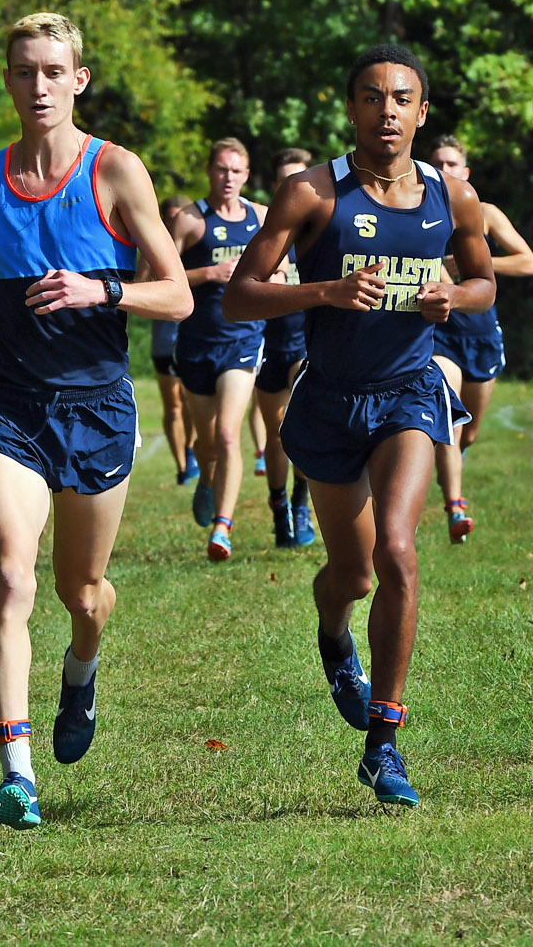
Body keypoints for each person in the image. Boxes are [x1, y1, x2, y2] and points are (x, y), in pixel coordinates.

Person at [0, 12, 191, 830]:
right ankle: (17, 773)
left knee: (83, 591)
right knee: (11, 574)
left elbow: (175, 293)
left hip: (99, 409)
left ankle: (83, 667)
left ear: (79, 80)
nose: (36, 86)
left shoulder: (116, 173)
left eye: (51, 71)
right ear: (8, 79)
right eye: (22, 71)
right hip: (12, 408)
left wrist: (100, 289)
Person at [226, 44, 495, 806]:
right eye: (372, 98)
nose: (388, 112)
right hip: (329, 401)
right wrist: (324, 292)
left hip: (409, 391)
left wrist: (455, 301)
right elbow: (239, 298)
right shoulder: (311, 194)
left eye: (402, 99)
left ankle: (384, 743)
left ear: (422, 111)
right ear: (351, 109)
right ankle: (334, 635)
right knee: (353, 573)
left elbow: (481, 280)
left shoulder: (454, 197)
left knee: (401, 554)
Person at [425, 136, 533, 542]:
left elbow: (529, 263)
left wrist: (478, 262)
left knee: (469, 431)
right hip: (440, 336)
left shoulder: (486, 213)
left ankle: (450, 465)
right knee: (451, 422)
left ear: (466, 172)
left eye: (453, 163)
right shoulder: (416, 211)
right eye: (438, 162)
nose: (445, 169)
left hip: (482, 335)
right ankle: (456, 508)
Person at [171, 138, 269, 561]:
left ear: (247, 175)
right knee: (207, 443)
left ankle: (222, 528)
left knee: (229, 434)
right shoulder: (190, 220)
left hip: (243, 340)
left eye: (237, 171)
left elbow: (279, 268)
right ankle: (206, 478)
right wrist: (210, 272)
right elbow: (156, 277)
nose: (228, 178)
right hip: (195, 344)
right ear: (210, 171)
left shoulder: (261, 217)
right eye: (221, 169)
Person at [253, 148, 320, 547]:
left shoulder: (323, 228)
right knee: (276, 435)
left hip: (310, 346)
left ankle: (301, 505)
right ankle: (279, 509)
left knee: (306, 431)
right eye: (284, 180)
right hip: (269, 345)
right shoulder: (265, 231)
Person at [150, 194, 201, 484]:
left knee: (192, 401)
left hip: (194, 337)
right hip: (163, 339)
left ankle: (191, 449)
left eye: (177, 216)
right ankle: (183, 466)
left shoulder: (198, 245)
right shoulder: (151, 247)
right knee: (173, 405)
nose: (173, 222)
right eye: (167, 218)